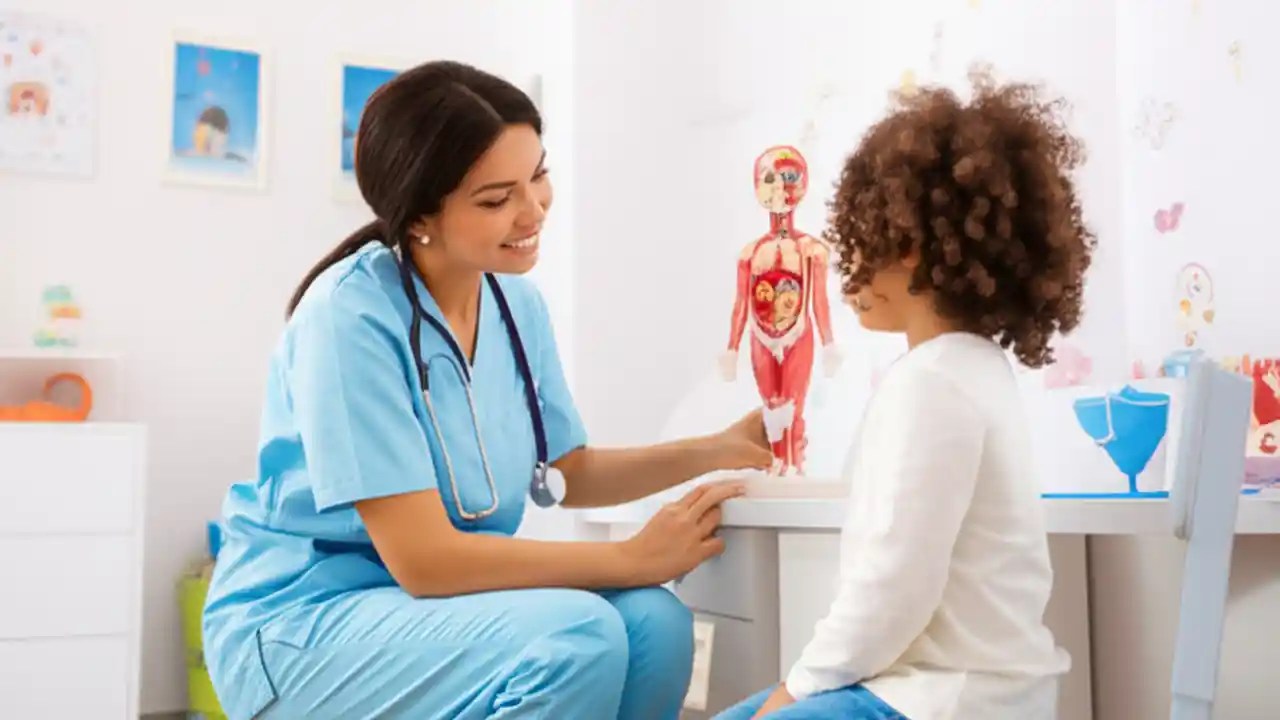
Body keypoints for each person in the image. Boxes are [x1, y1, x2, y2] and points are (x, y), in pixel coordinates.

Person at [202, 60, 773, 720]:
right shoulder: (348, 318)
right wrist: (629, 556)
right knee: (575, 637)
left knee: (656, 625)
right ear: (421, 216)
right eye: (497, 199)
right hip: (304, 626)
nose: (533, 211)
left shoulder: (514, 305)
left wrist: (716, 449)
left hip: (432, 609)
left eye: (537, 176)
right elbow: (422, 561)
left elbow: (570, 471)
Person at [717, 69, 1093, 719]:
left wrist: (796, 688)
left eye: (860, 236)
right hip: (971, 690)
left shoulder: (931, 384)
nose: (844, 263)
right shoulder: (974, 372)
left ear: (911, 250)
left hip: (944, 698)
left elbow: (892, 591)